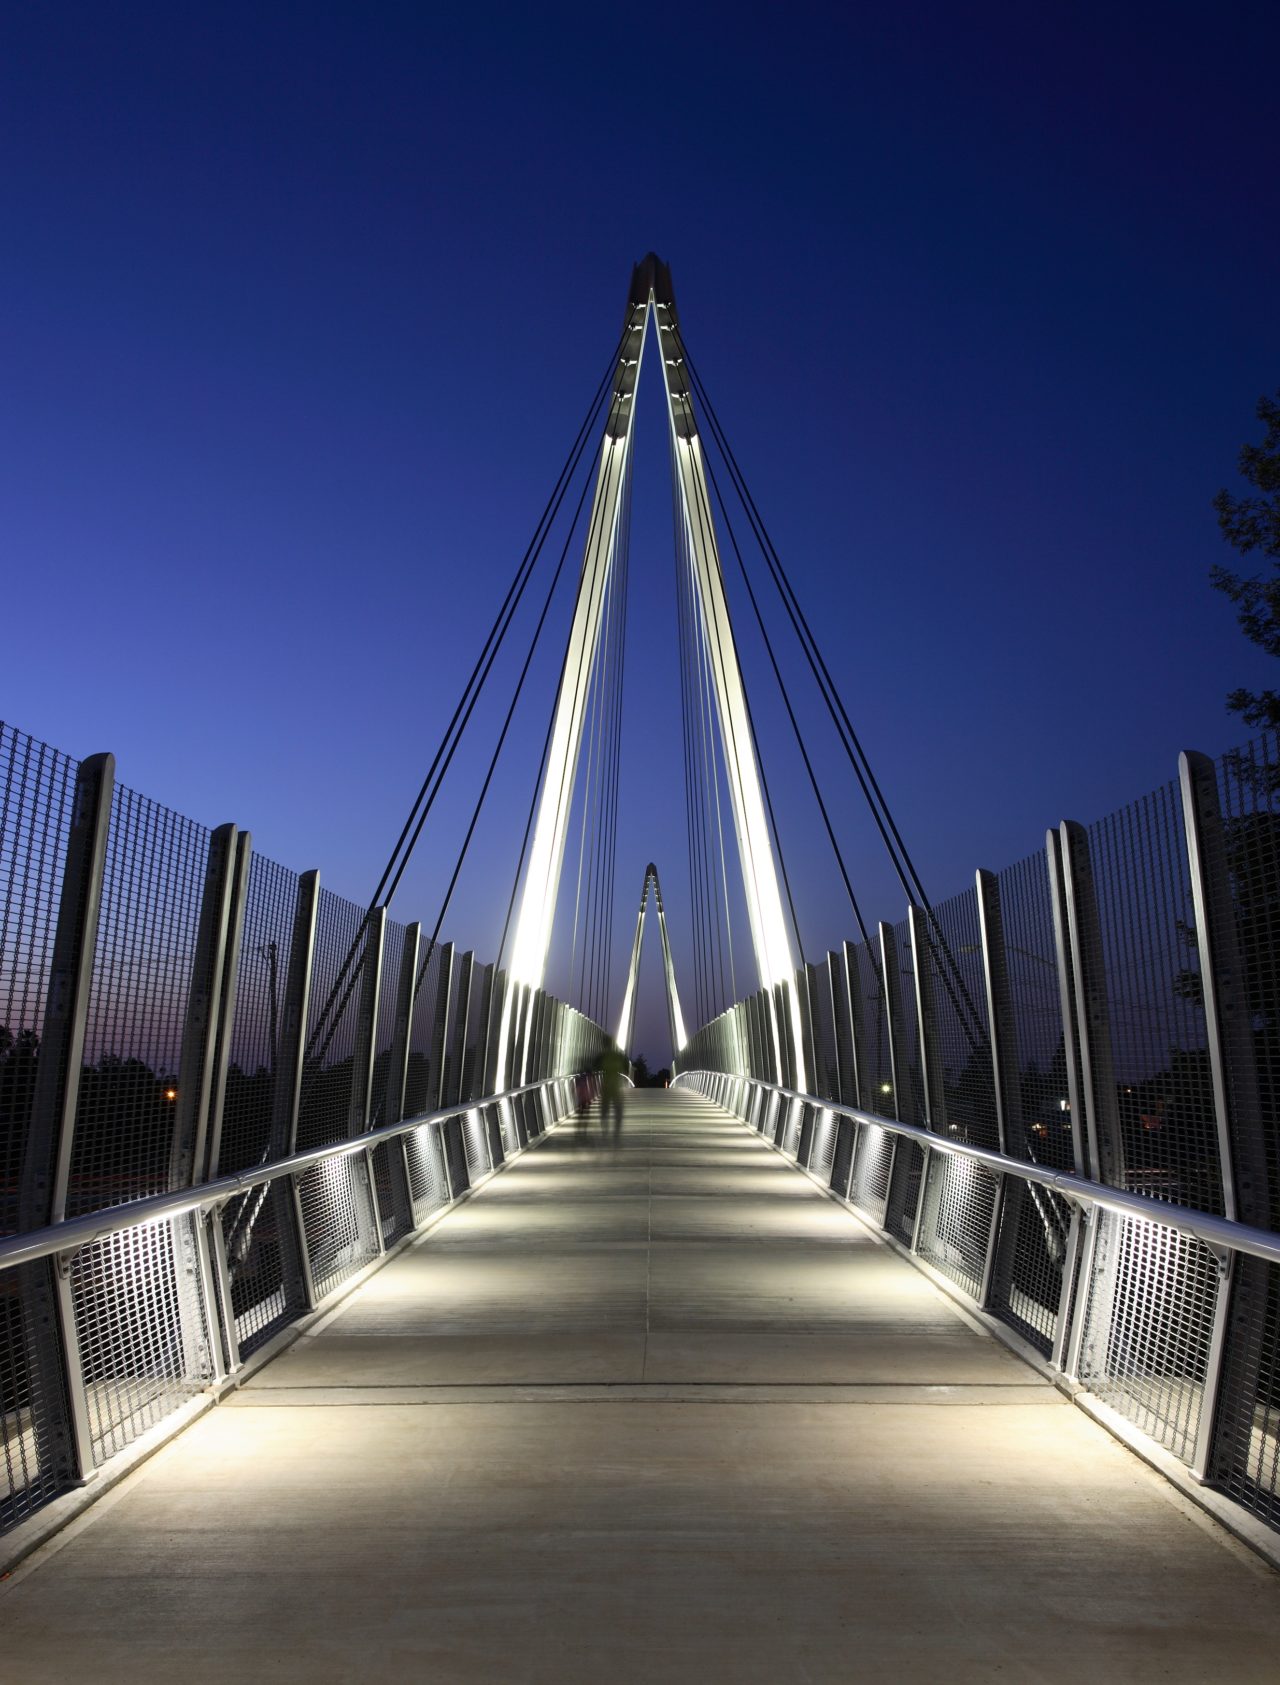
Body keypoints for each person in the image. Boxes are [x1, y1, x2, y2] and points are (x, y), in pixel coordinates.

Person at [600, 1042, 627, 1143]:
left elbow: (595, 1068)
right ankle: (616, 1131)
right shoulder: (618, 1056)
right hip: (616, 1088)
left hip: (606, 1088)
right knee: (618, 1111)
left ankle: (605, 1130)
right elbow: (626, 1070)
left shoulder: (602, 1057)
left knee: (604, 1111)